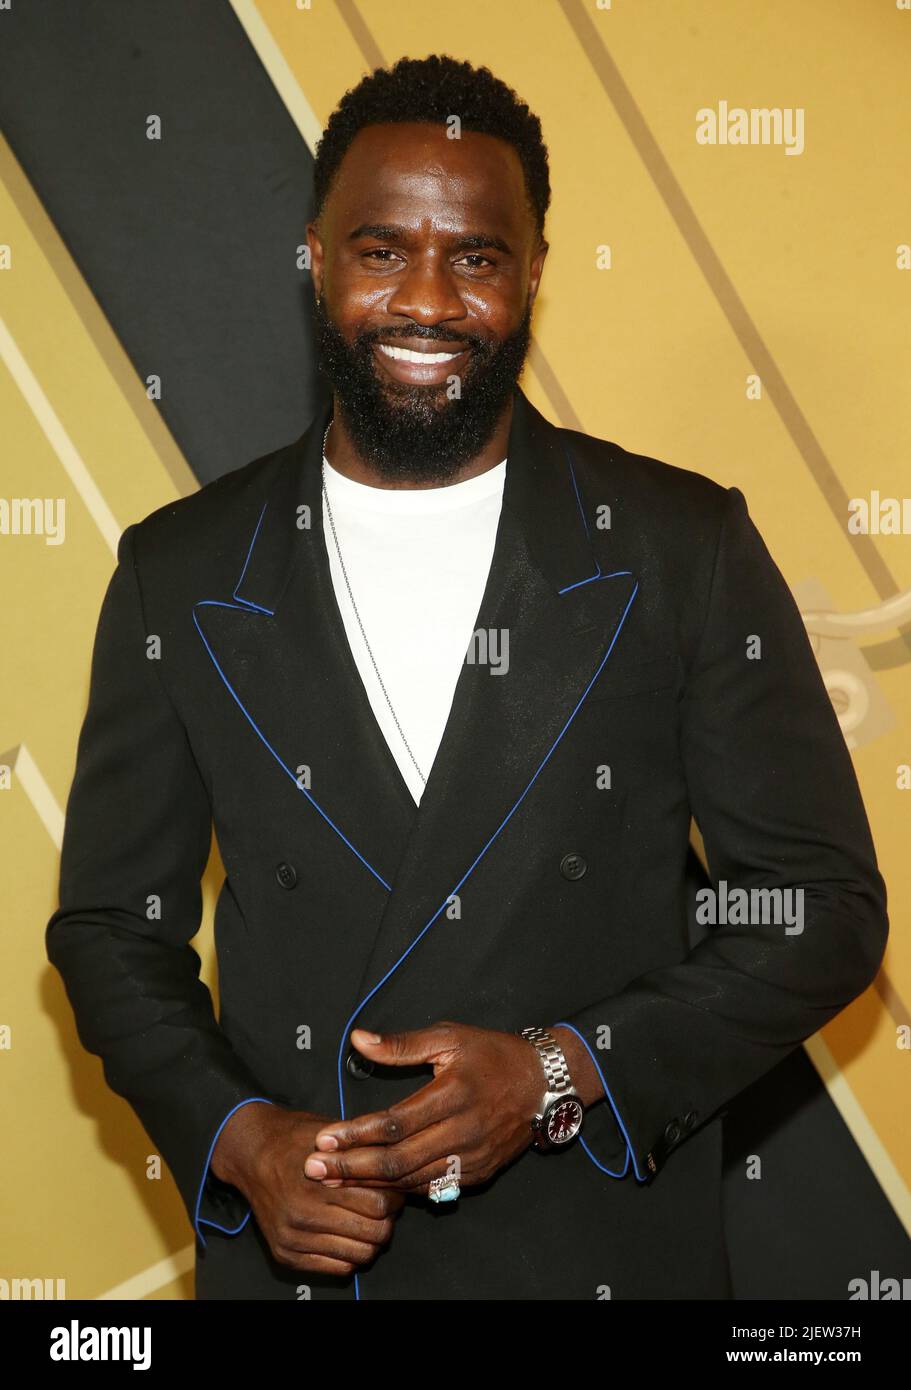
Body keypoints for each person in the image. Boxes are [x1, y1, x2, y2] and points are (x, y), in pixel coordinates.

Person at [46, 54, 888, 1301]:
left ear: (534, 270)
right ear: (316, 260)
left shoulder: (675, 547)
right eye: (381, 250)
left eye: (476, 258)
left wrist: (562, 1070)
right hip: (313, 1265)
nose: (426, 300)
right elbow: (115, 928)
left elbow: (815, 905)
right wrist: (240, 1139)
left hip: (593, 1255)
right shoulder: (181, 571)